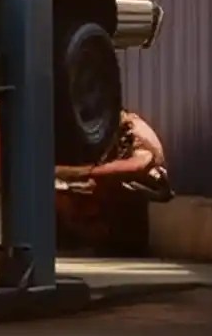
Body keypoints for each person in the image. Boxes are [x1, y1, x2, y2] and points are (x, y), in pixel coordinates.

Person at [54, 109, 173, 257]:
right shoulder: (108, 136)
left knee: (100, 186)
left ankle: (113, 240)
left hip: (141, 198)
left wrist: (84, 173)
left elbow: (139, 164)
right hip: (122, 199)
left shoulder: (132, 128)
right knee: (63, 196)